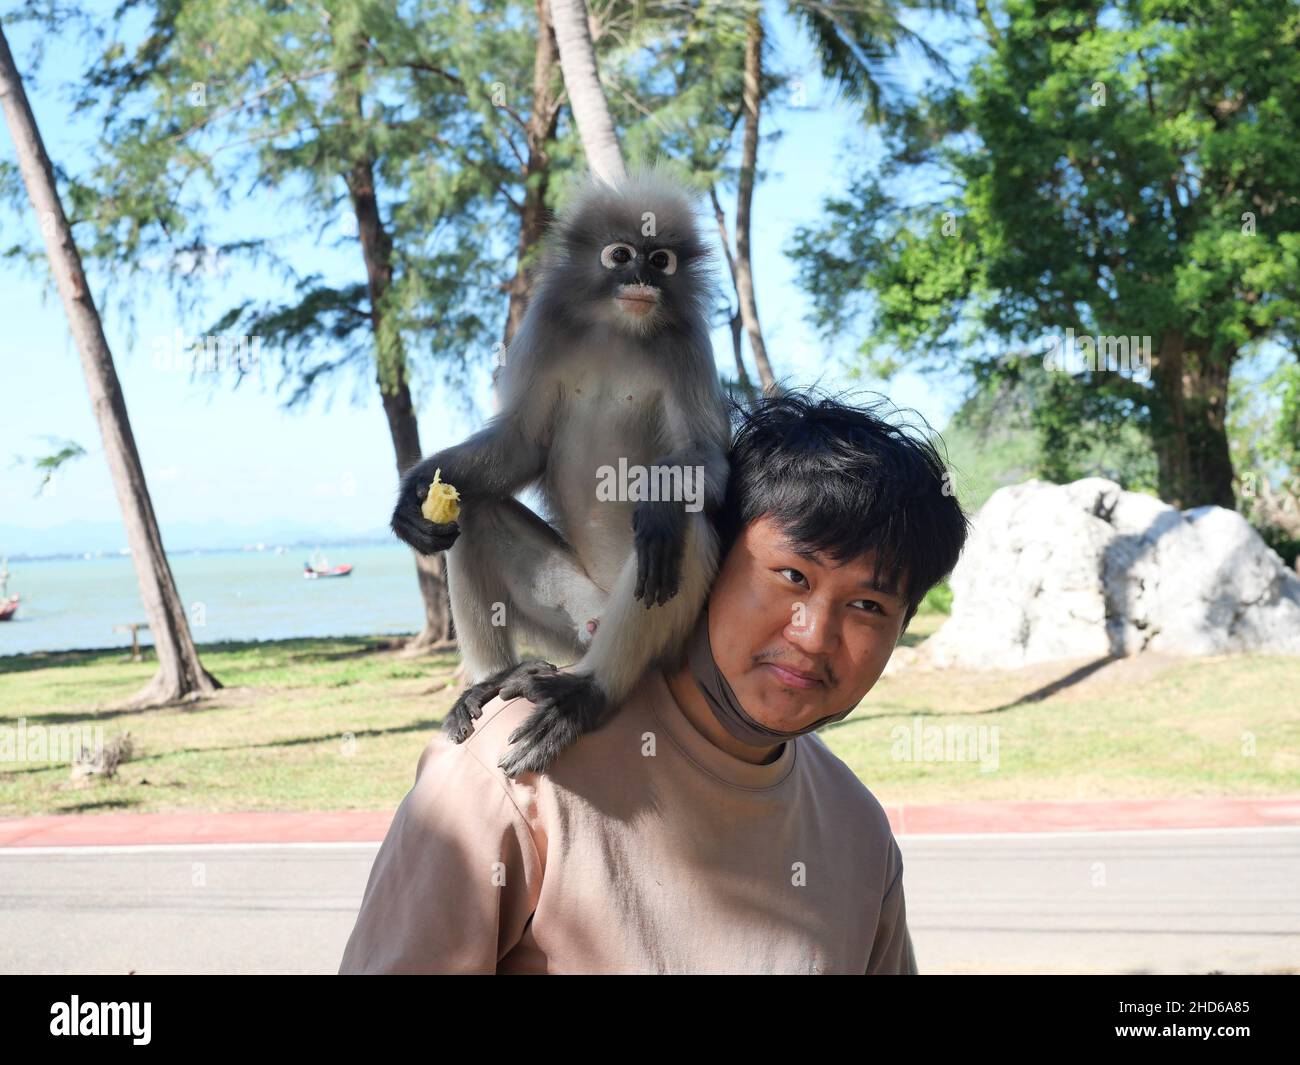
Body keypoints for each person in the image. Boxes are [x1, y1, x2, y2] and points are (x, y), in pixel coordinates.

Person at [338, 389, 969, 974]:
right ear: (709, 561)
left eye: (868, 606)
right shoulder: (516, 770)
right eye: (792, 577)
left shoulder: (859, 832)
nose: (813, 635)